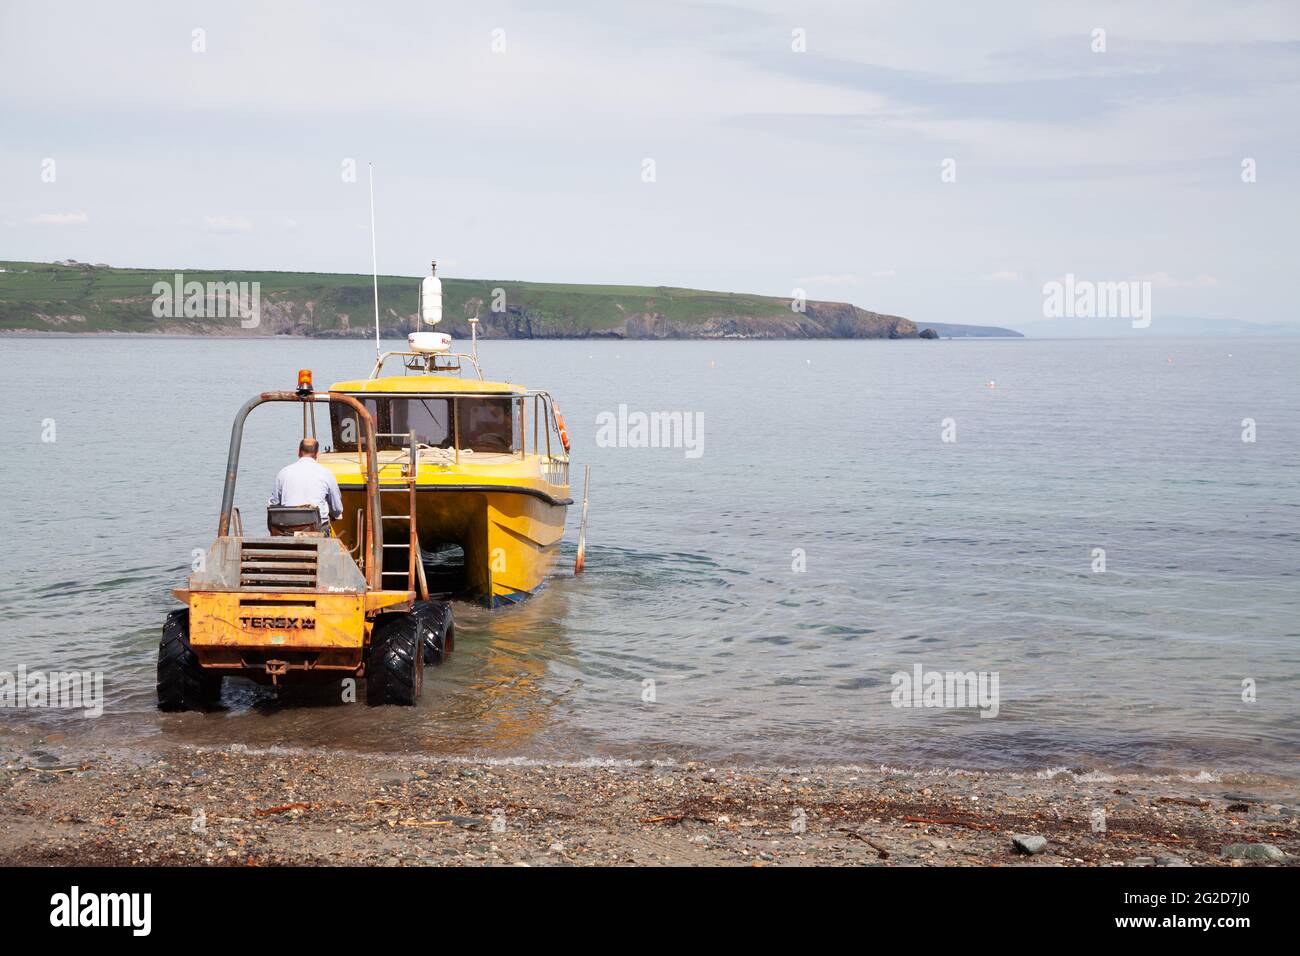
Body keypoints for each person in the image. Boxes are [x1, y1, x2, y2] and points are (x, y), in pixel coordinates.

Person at [269, 438, 343, 530]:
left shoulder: (283, 473)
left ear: (298, 452)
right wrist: (334, 514)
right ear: (317, 454)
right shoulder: (326, 474)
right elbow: (337, 508)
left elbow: (274, 504)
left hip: (287, 528)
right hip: (316, 529)